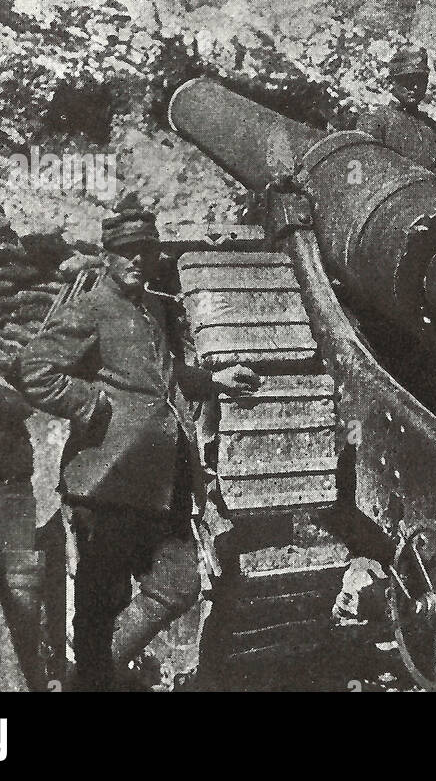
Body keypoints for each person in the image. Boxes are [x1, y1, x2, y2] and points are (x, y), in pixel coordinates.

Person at [18, 205, 260, 690]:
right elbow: (35, 369)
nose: (137, 260)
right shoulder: (89, 308)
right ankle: (90, 681)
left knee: (178, 585)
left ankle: (90, 675)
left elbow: (162, 379)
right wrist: (92, 406)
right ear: (106, 256)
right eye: (126, 252)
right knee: (99, 601)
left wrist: (214, 380)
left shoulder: (153, 309)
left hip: (160, 481)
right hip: (107, 482)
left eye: (145, 251)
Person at [357, 46, 436, 174]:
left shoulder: (434, 128)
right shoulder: (377, 121)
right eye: (408, 80)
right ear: (392, 82)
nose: (414, 87)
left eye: (420, 80)